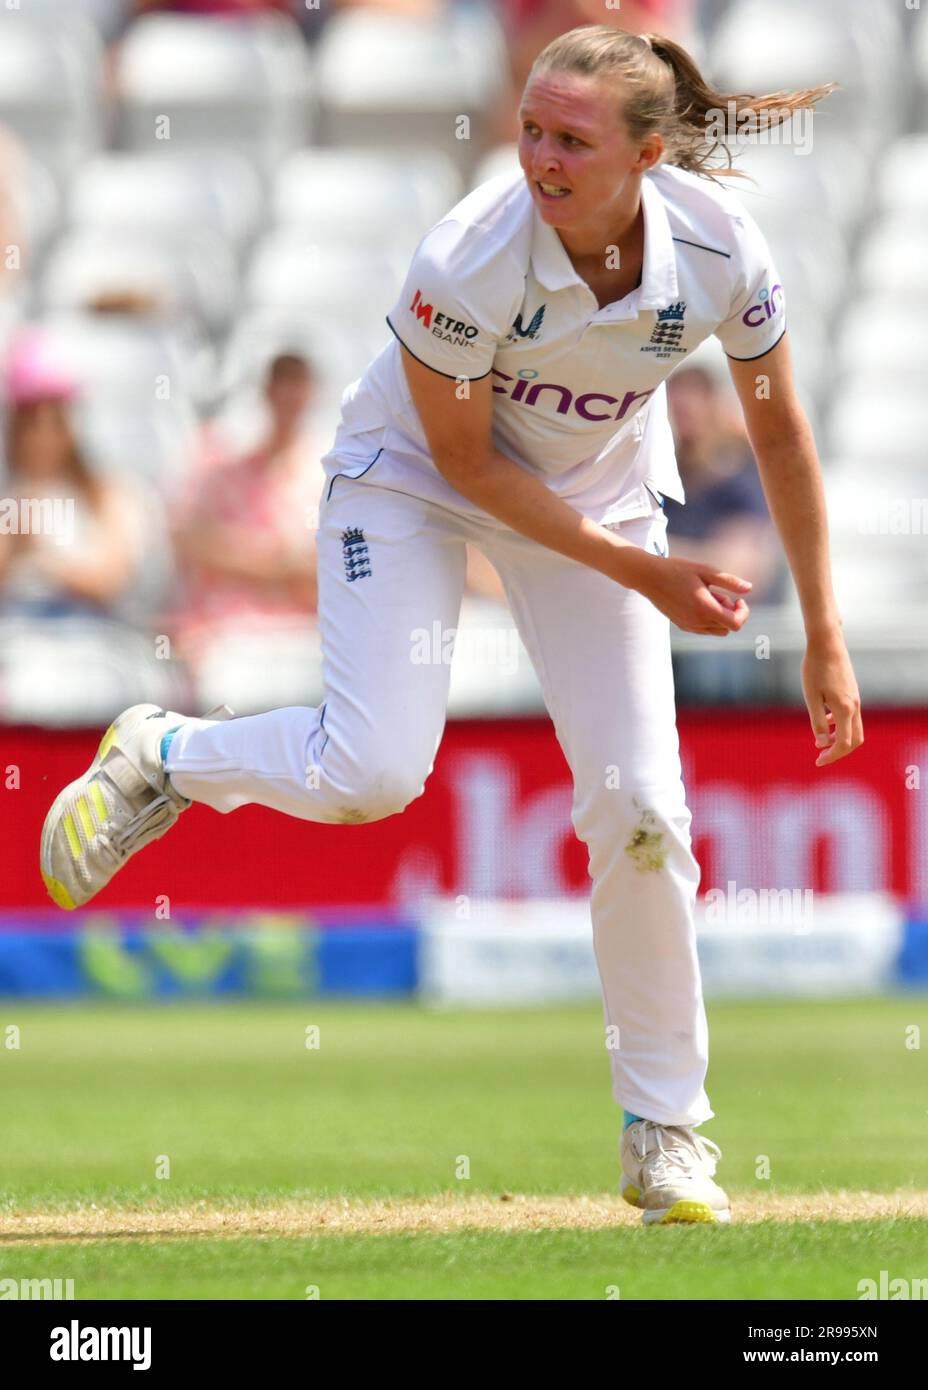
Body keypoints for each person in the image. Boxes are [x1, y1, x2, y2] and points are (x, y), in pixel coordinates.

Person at [40, 26, 863, 1225]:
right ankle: (164, 756)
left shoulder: (719, 245)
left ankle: (666, 1134)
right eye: (529, 127)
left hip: (597, 491)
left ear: (647, 153)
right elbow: (472, 467)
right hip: (414, 480)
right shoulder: (468, 253)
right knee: (369, 773)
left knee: (641, 812)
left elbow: (782, 435)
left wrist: (826, 636)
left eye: (570, 139)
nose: (536, 157)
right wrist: (642, 570)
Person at [165, 352, 322, 663]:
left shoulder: (327, 472)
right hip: (221, 628)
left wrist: (249, 557)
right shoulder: (218, 458)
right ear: (267, 390)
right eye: (283, 383)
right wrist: (276, 563)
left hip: (299, 632)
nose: (289, 396)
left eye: (297, 385)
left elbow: (325, 570)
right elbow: (189, 540)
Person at [0, 327, 146, 619]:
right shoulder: (9, 496)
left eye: (54, 422)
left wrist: (44, 559)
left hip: (90, 642)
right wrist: (15, 548)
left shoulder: (106, 493)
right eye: (30, 423)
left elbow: (110, 581)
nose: (42, 437)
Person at [664, 363, 783, 604]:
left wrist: (648, 555)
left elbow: (734, 575)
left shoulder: (744, 479)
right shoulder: (662, 476)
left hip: (733, 628)